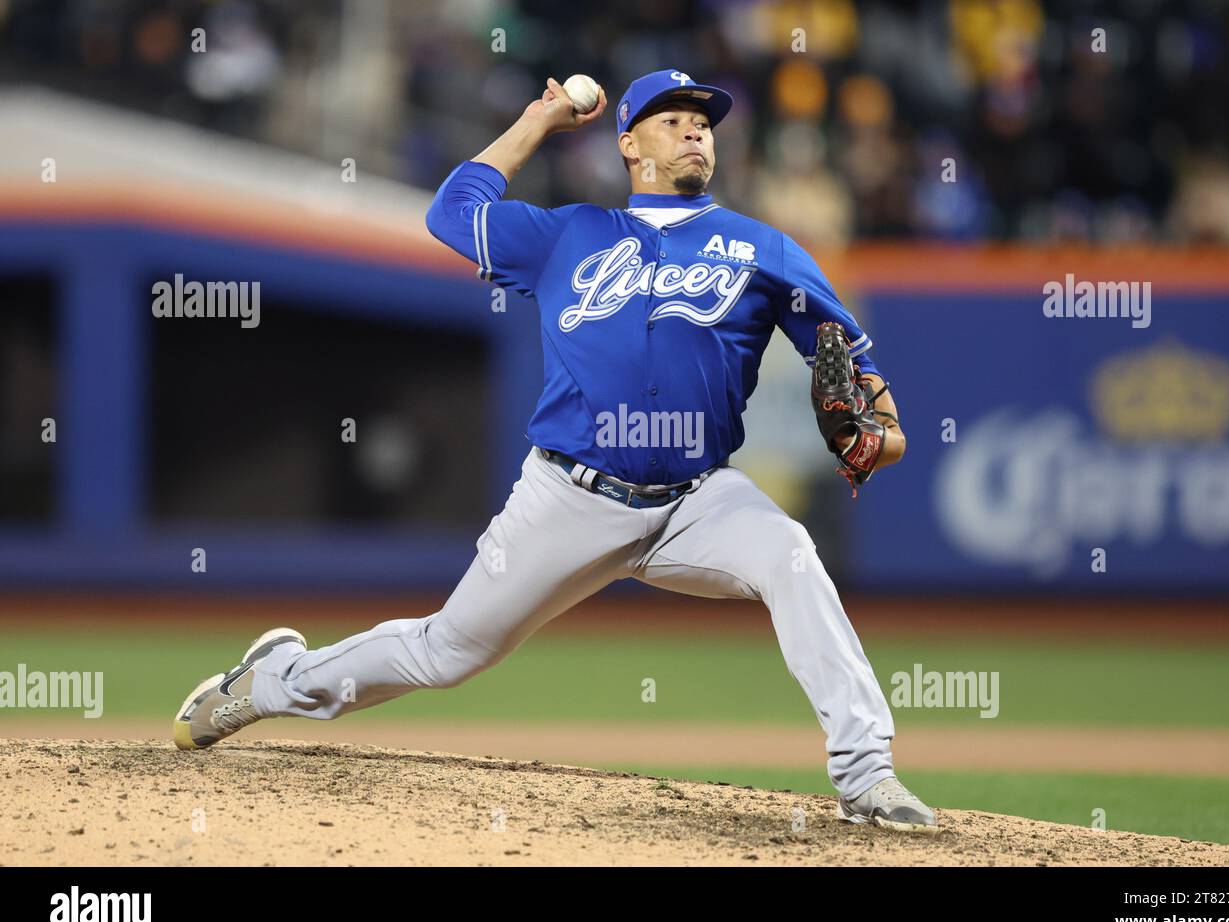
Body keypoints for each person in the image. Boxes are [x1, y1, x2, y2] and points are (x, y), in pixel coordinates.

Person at [173, 70, 937, 831]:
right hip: (569, 495)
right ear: (629, 143)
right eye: (674, 118)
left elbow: (856, 371)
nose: (697, 128)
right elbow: (452, 210)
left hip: (700, 499)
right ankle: (273, 681)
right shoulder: (568, 234)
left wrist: (885, 437)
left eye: (704, 120)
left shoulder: (763, 249)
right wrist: (539, 119)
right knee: (446, 653)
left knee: (792, 556)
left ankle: (866, 774)